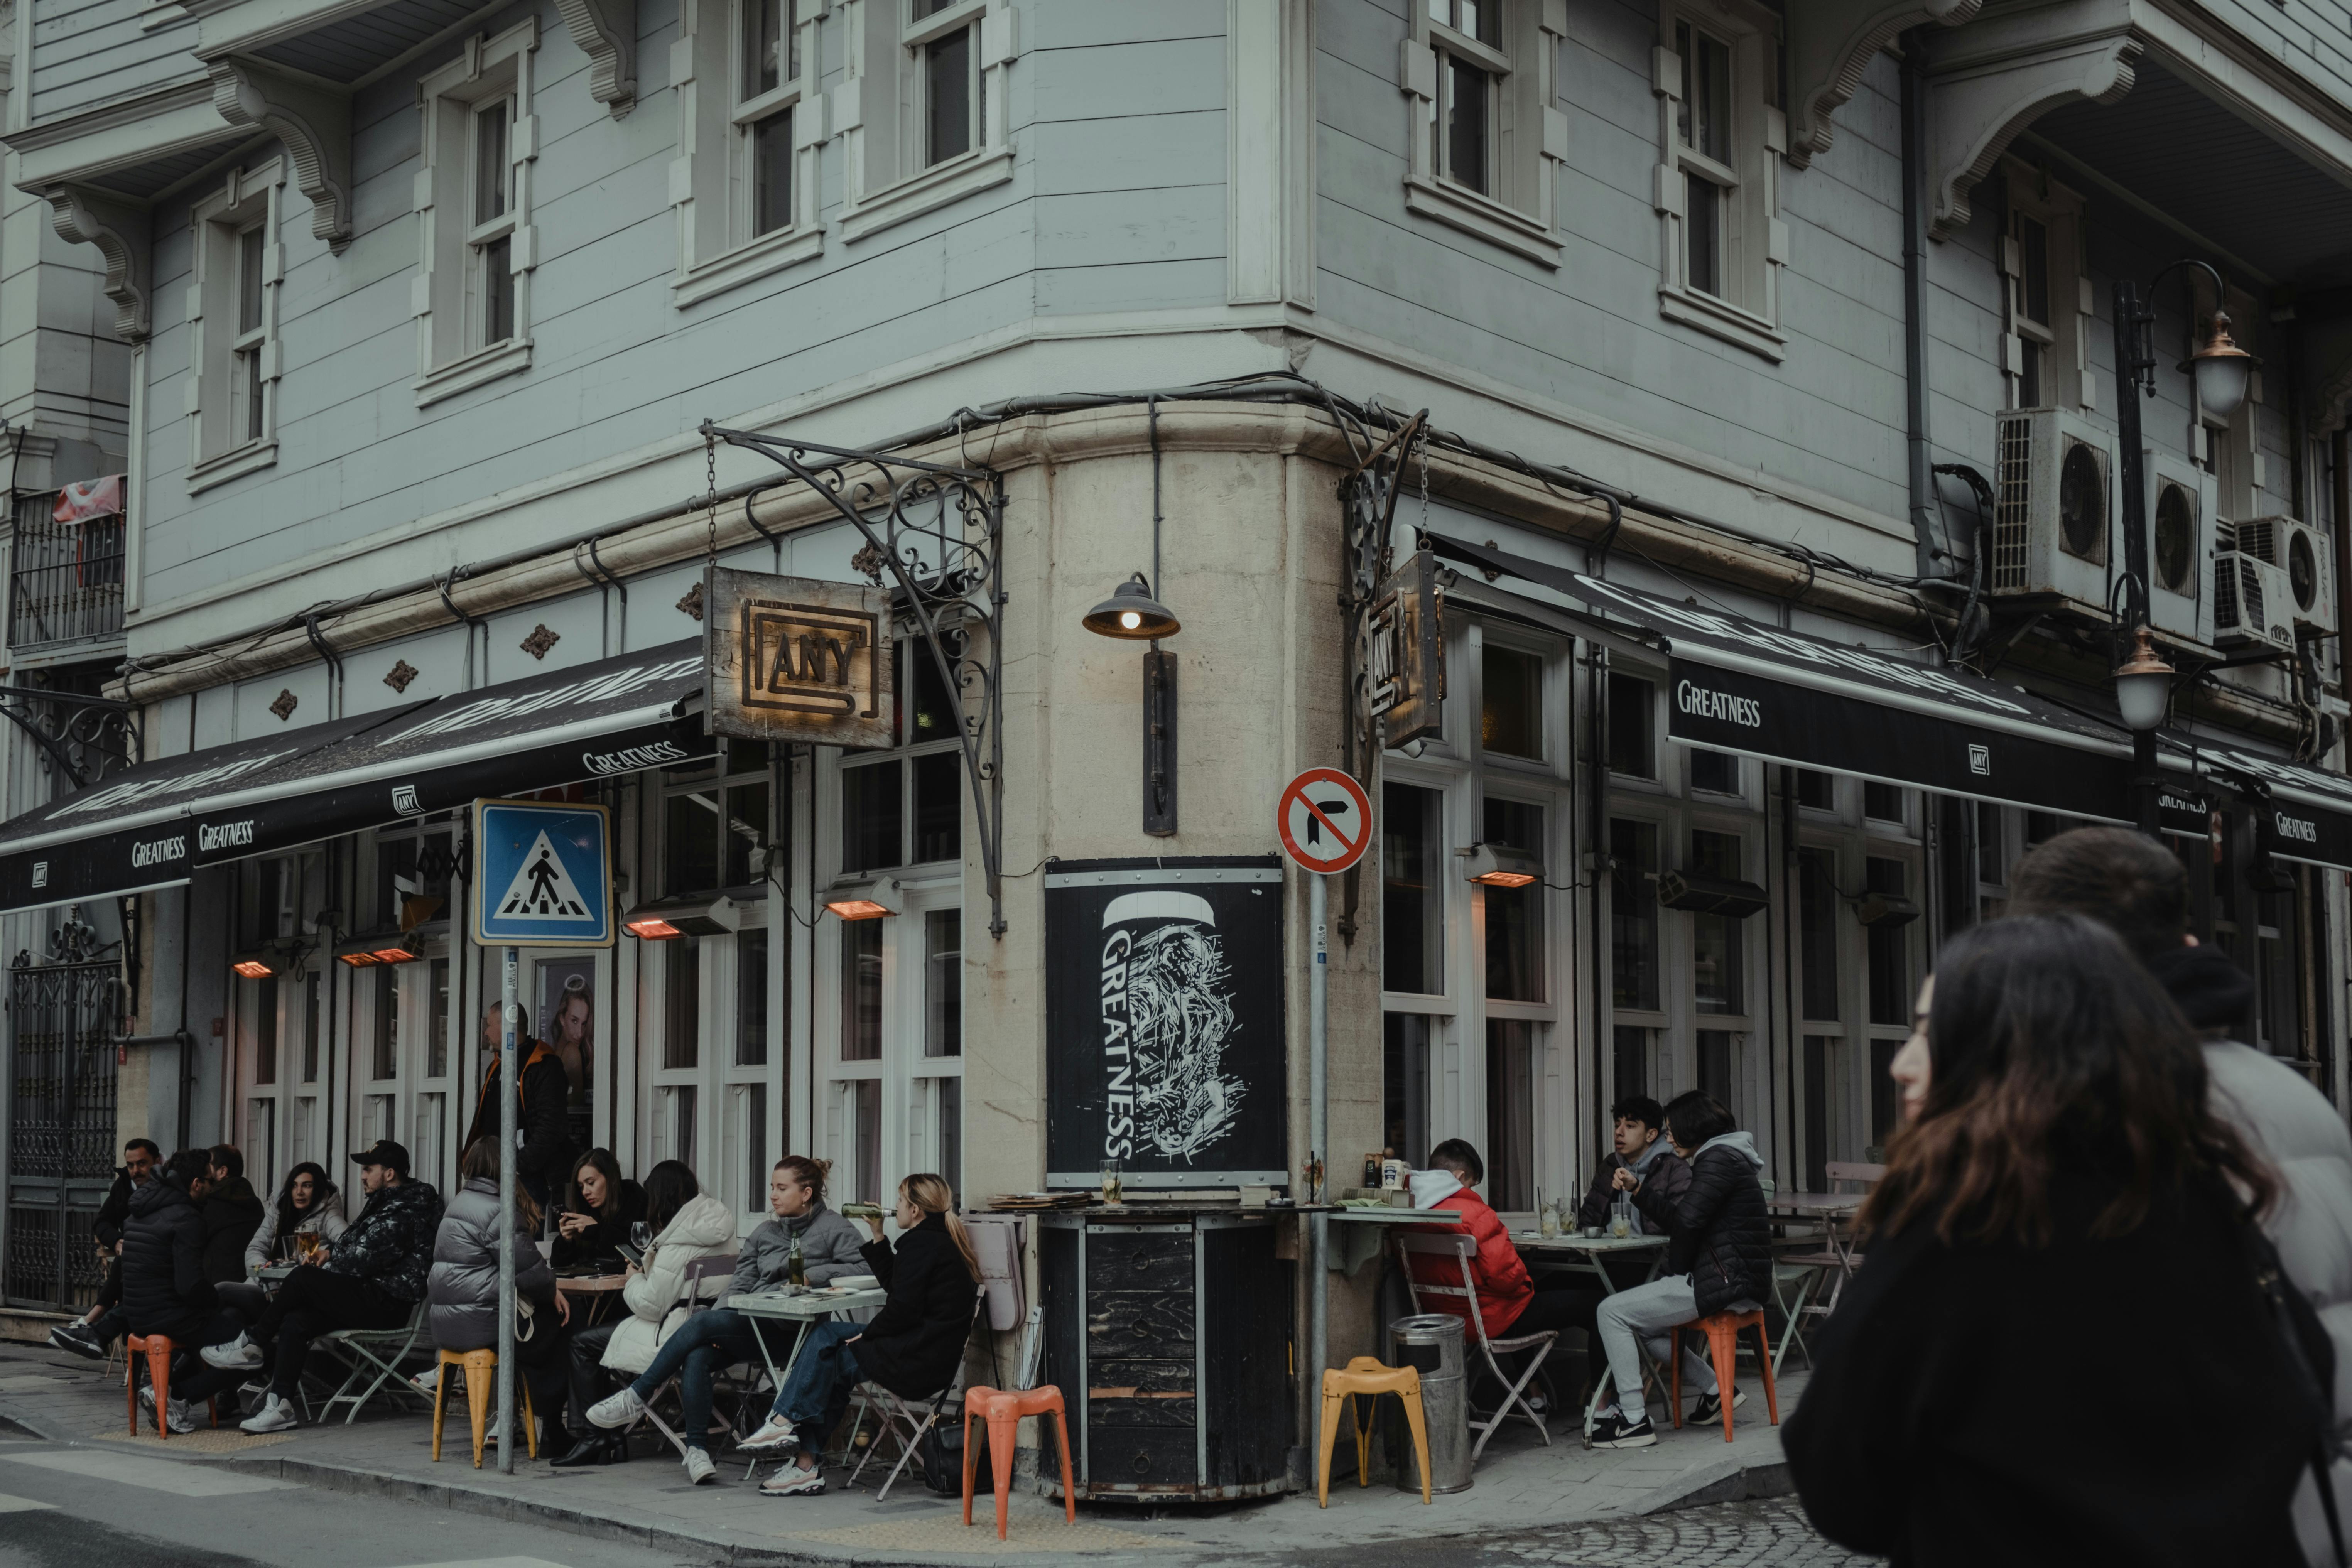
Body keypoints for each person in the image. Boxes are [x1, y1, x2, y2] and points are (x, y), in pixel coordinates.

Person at [1785, 916, 2312, 1566]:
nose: (1901, 1064)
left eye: (1930, 1031)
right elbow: (2301, 1375)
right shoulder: (2194, 1190)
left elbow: (1838, 1477)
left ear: (2010, 1048)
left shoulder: (1959, 1229)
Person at [2007, 824, 2352, 1558]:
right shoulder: (2292, 1090)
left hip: (2201, 1515)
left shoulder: (2092, 1111)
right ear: (2183, 938)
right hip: (2320, 1492)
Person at [657, 1173, 975, 1497]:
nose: (896, 1208)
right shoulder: (934, 1242)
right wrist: (878, 1235)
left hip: (916, 1358)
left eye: (900, 1201)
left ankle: (785, 1427)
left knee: (827, 1342)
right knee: (830, 1357)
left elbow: (902, 1310)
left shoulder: (922, 1245)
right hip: (925, 1351)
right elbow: (901, 1291)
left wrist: (868, 1336)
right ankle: (800, 1459)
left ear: (916, 1209)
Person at [557, 1155, 866, 1475]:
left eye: (782, 1188)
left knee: (701, 1324)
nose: (772, 1195)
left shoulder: (833, 1227)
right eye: (772, 1187)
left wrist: (812, 1275)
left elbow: (864, 1267)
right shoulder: (765, 1232)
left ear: (807, 1193)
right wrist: (719, 1327)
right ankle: (697, 1451)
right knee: (699, 1351)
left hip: (800, 1337)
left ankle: (638, 1394)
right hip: (755, 1328)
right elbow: (739, 1286)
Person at [192, 1139, 442, 1433]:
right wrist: (332, 1253)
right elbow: (352, 1246)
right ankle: (280, 1405)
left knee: (301, 1277)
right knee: (296, 1320)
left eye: (368, 1169)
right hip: (367, 1292)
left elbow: (359, 1259)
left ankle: (252, 1343)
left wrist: (332, 1257)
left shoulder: (405, 1209)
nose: (362, 1175)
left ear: (389, 1173)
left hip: (387, 1302)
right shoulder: (386, 1201)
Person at [1585, 1091, 1769, 1448]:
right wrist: (1638, 1189)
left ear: (1692, 1127)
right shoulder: (1726, 1156)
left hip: (1723, 1281)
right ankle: (1718, 1390)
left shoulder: (1716, 1159)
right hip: (1735, 1280)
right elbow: (1684, 1219)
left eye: (1672, 1130)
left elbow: (1686, 1225)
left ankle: (1634, 1421)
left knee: (1610, 1311)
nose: (1668, 1137)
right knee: (1650, 1329)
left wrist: (1678, 1273)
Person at [561, 1160, 732, 1465]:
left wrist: (634, 1278)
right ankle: (609, 1434)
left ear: (662, 1198)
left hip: (673, 1330)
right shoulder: (717, 1227)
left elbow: (651, 1307)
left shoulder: (677, 1244)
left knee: (582, 1342)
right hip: (709, 1323)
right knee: (597, 1337)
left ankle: (593, 1435)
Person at [1402, 1139, 1590, 1403]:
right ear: (1459, 1177)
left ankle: (1533, 1396)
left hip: (1440, 1320)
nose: (1470, 1190)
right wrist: (1523, 1281)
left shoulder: (1408, 1212)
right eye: (1471, 1184)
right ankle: (1603, 1400)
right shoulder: (1476, 1214)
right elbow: (1507, 1279)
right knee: (1599, 1304)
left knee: (1524, 1297)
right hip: (1488, 1322)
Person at [427, 1137, 571, 1454]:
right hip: (481, 1324)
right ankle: (553, 1428)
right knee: (561, 1328)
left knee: (534, 1335)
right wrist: (553, 1288)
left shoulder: (460, 1202)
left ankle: (512, 1420)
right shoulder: (497, 1209)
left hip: (447, 1327)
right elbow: (529, 1272)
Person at [1557, 1097, 1687, 1401]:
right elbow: (1588, 1221)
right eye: (1617, 1125)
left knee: (1604, 1304)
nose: (1619, 1132)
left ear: (1651, 1134)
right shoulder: (1610, 1165)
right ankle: (1544, 1390)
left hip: (1654, 1266)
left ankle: (1605, 1394)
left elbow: (1682, 1225)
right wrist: (1610, 1194)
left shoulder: (1673, 1168)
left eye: (1630, 1126)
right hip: (1610, 1261)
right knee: (1542, 1284)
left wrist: (1637, 1190)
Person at [120, 1149, 243, 1434]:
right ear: (197, 1184)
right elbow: (189, 1287)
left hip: (137, 1314)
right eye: (211, 1182)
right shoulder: (187, 1217)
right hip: (169, 1315)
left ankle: (165, 1390)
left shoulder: (145, 1205)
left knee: (224, 1335)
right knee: (252, 1347)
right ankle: (176, 1396)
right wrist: (215, 1298)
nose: (213, 1189)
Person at [49, 1138, 159, 1359]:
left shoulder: (167, 1189)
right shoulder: (123, 1185)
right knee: (128, 1256)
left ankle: (90, 1322)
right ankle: (95, 1328)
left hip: (157, 1265)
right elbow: (101, 1223)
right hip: (134, 1264)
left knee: (131, 1260)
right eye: (130, 1165)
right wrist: (117, 1241)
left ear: (156, 1162)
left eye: (142, 1164)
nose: (136, 1171)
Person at [463, 1002, 577, 1212]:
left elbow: (551, 1127)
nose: (486, 1032)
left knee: (523, 1239)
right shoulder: (497, 1065)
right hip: (493, 1176)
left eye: (490, 1025)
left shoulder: (544, 1065)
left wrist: (516, 1167)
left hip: (527, 1179)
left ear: (508, 1026)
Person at [550, 1148, 645, 1273]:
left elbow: (634, 1254)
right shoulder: (585, 1210)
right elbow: (559, 1268)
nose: (585, 1192)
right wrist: (566, 1241)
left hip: (625, 1288)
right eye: (581, 1186)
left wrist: (595, 1230)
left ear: (611, 1179)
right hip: (588, 1290)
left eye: (591, 1183)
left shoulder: (633, 1199)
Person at [244, 1162, 349, 1272]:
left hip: (298, 1284)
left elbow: (349, 1243)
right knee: (225, 1288)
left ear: (318, 1189)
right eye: (294, 1186)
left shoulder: (328, 1213)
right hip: (266, 1281)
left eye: (307, 1186)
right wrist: (266, 1275)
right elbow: (255, 1249)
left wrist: (327, 1252)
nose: (299, 1192)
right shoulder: (279, 1209)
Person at [199, 1145, 266, 1287]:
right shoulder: (254, 1201)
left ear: (223, 1171)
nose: (203, 1170)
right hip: (249, 1283)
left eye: (207, 1165)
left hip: (217, 1287)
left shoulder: (212, 1203)